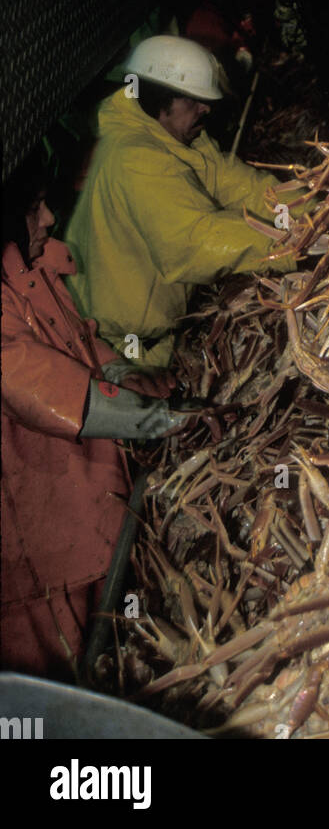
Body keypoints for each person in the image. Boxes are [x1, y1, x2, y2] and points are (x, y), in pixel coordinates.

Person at [1, 152, 186, 678]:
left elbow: (75, 342)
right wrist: (158, 419)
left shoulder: (28, 270)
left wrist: (123, 373)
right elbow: (33, 383)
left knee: (102, 660)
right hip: (35, 560)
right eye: (34, 207)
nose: (49, 219)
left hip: (88, 517)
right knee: (50, 691)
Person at [65, 35, 308, 371]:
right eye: (196, 100)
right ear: (161, 98)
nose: (206, 108)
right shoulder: (136, 157)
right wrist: (296, 244)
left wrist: (317, 213)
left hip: (159, 340)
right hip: (120, 351)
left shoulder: (173, 139)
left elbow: (245, 188)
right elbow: (195, 242)